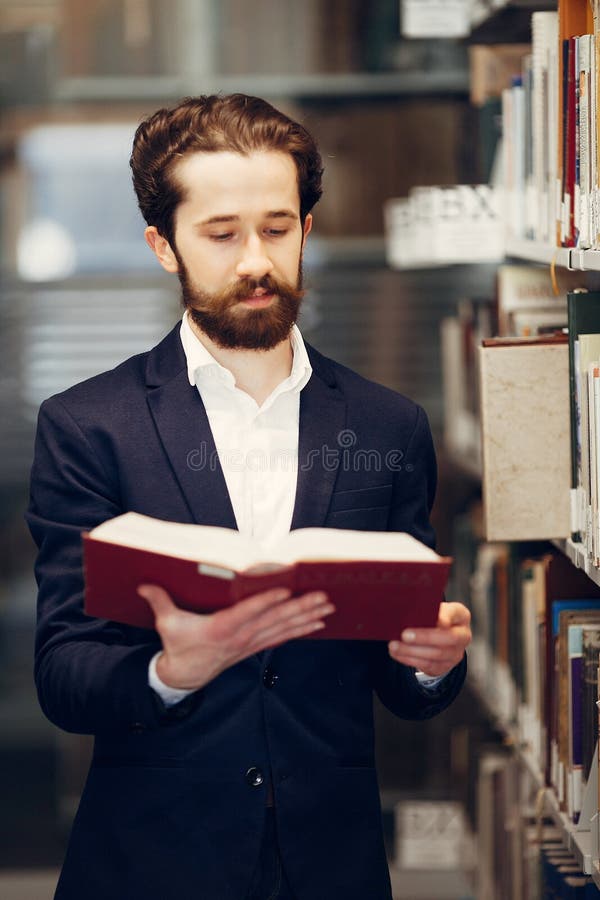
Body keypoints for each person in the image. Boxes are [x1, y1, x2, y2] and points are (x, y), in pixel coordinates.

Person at [26, 94, 471, 900]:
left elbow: (405, 687)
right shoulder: (88, 427)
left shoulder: (389, 423)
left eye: (276, 227)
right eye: (221, 235)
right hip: (151, 865)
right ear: (164, 246)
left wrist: (434, 664)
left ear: (307, 228)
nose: (255, 261)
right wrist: (170, 670)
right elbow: (63, 673)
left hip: (333, 867)